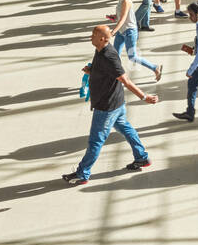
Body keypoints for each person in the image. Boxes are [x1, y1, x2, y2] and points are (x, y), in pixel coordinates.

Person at [61, 25, 159, 186]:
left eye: (93, 34)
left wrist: (144, 97)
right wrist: (91, 71)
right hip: (116, 103)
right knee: (125, 128)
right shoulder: (99, 50)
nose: (90, 36)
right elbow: (104, 71)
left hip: (107, 106)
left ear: (103, 38)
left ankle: (82, 173)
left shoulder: (109, 56)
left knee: (96, 141)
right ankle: (142, 157)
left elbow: (125, 80)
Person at [108, 0, 161, 81]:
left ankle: (155, 68)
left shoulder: (126, 1)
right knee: (115, 56)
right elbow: (122, 15)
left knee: (133, 57)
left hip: (129, 32)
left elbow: (123, 19)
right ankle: (116, 77)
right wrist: (115, 16)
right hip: (122, 31)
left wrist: (113, 32)